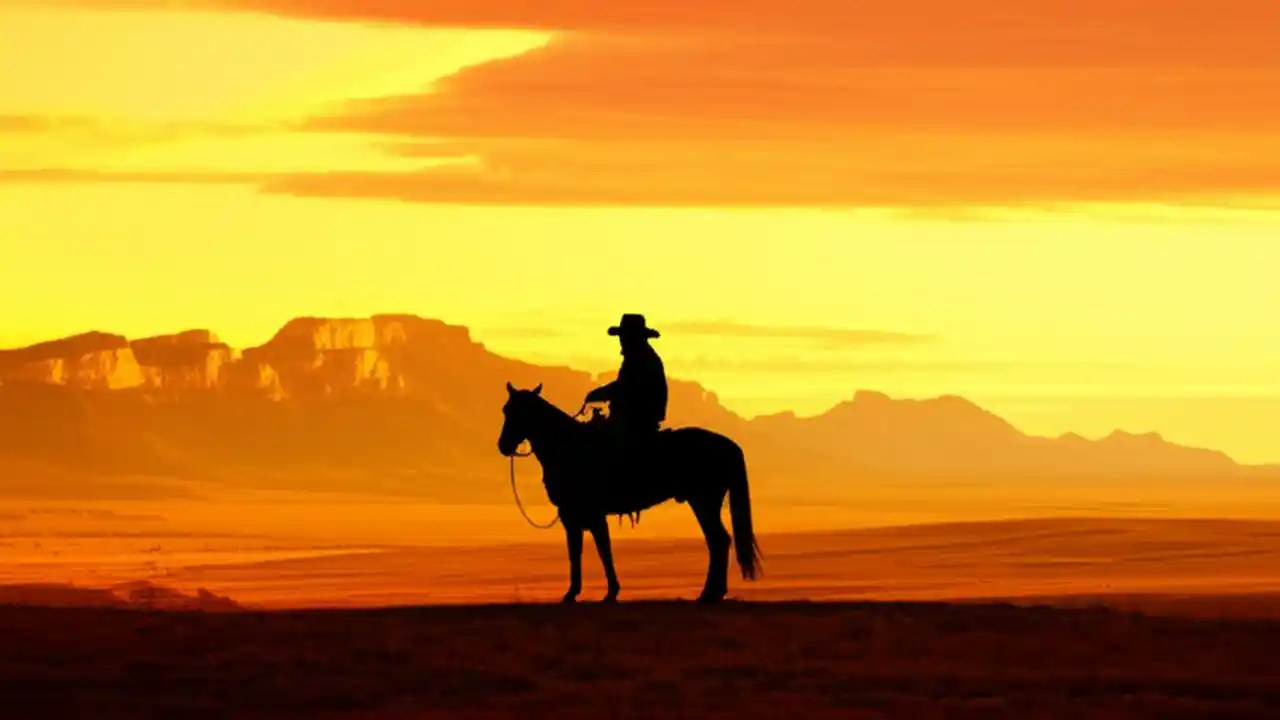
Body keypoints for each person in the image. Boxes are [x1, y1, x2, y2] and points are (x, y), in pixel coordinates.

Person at [584, 314, 668, 467]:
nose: (621, 341)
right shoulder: (641, 356)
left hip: (638, 420)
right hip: (638, 418)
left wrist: (598, 394)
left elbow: (625, 387)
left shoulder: (640, 359)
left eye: (624, 337)